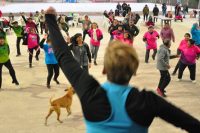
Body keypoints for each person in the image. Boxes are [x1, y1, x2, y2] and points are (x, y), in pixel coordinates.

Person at [45, 7, 200, 132]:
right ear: (133, 69)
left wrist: (50, 20)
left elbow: (63, 56)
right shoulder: (147, 101)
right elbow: (191, 124)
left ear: (105, 69)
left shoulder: (89, 91)